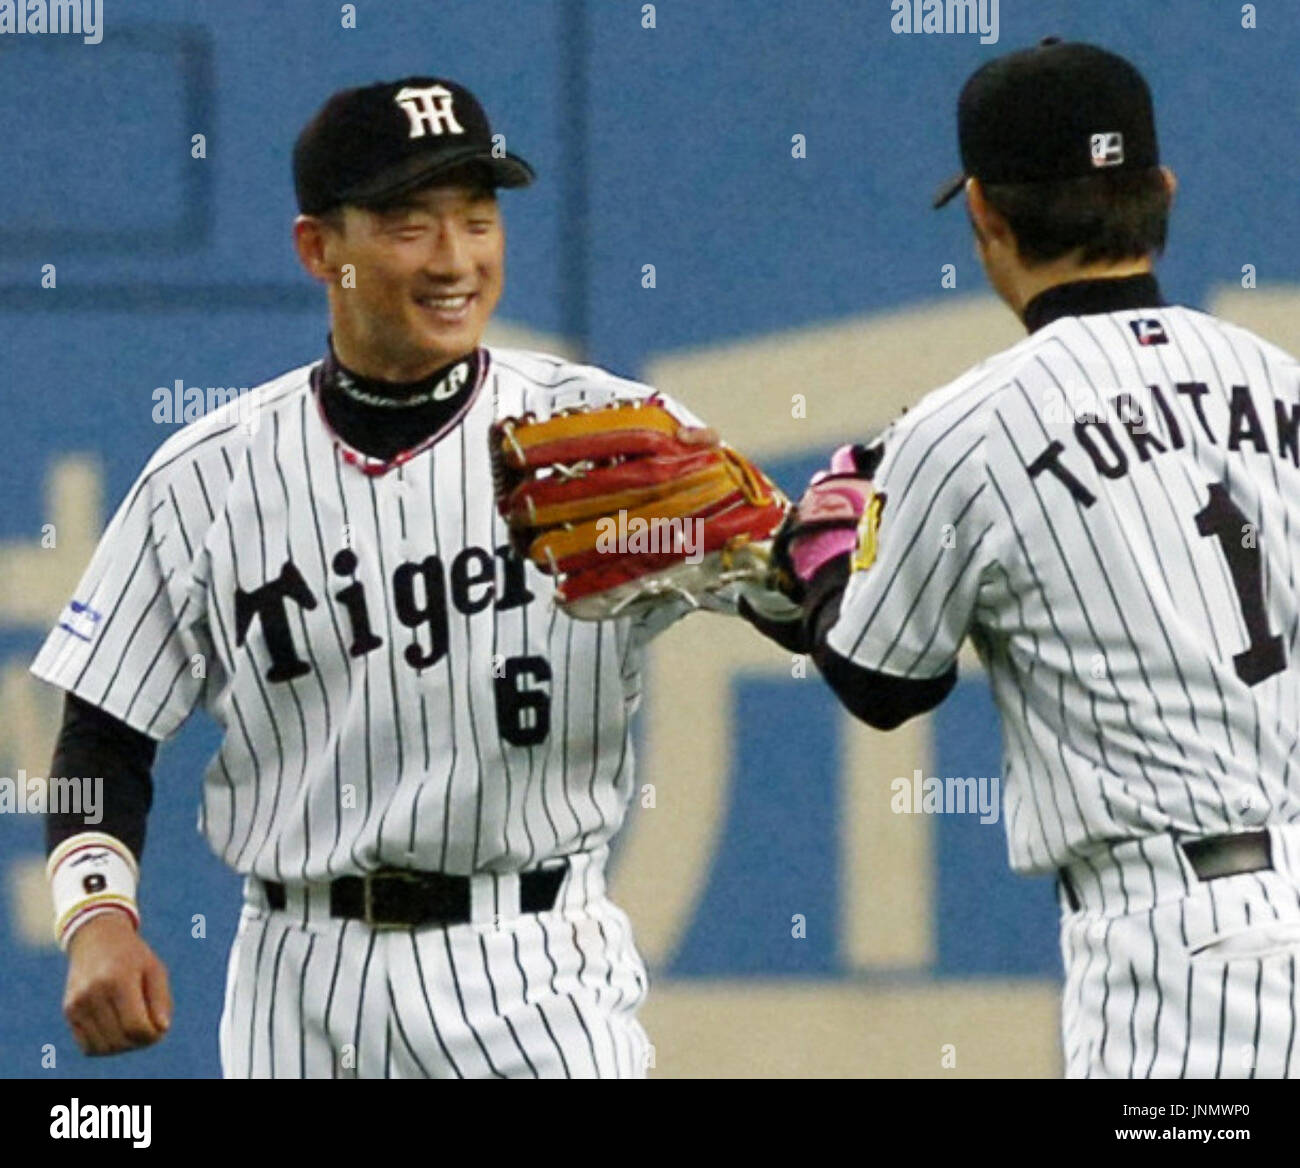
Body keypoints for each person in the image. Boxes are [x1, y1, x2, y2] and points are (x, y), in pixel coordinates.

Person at [33, 76, 715, 1079]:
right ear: (318, 249)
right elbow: (102, 732)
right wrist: (95, 914)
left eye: (477, 221)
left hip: (528, 962)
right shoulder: (208, 474)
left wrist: (800, 569)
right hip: (297, 973)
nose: (455, 261)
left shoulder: (604, 436)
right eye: (409, 225)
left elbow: (803, 604)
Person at [749, 39, 1300, 1077]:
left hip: (1184, 957)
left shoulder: (962, 432)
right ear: (1160, 193)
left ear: (984, 216)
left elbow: (880, 678)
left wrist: (818, 555)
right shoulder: (1278, 379)